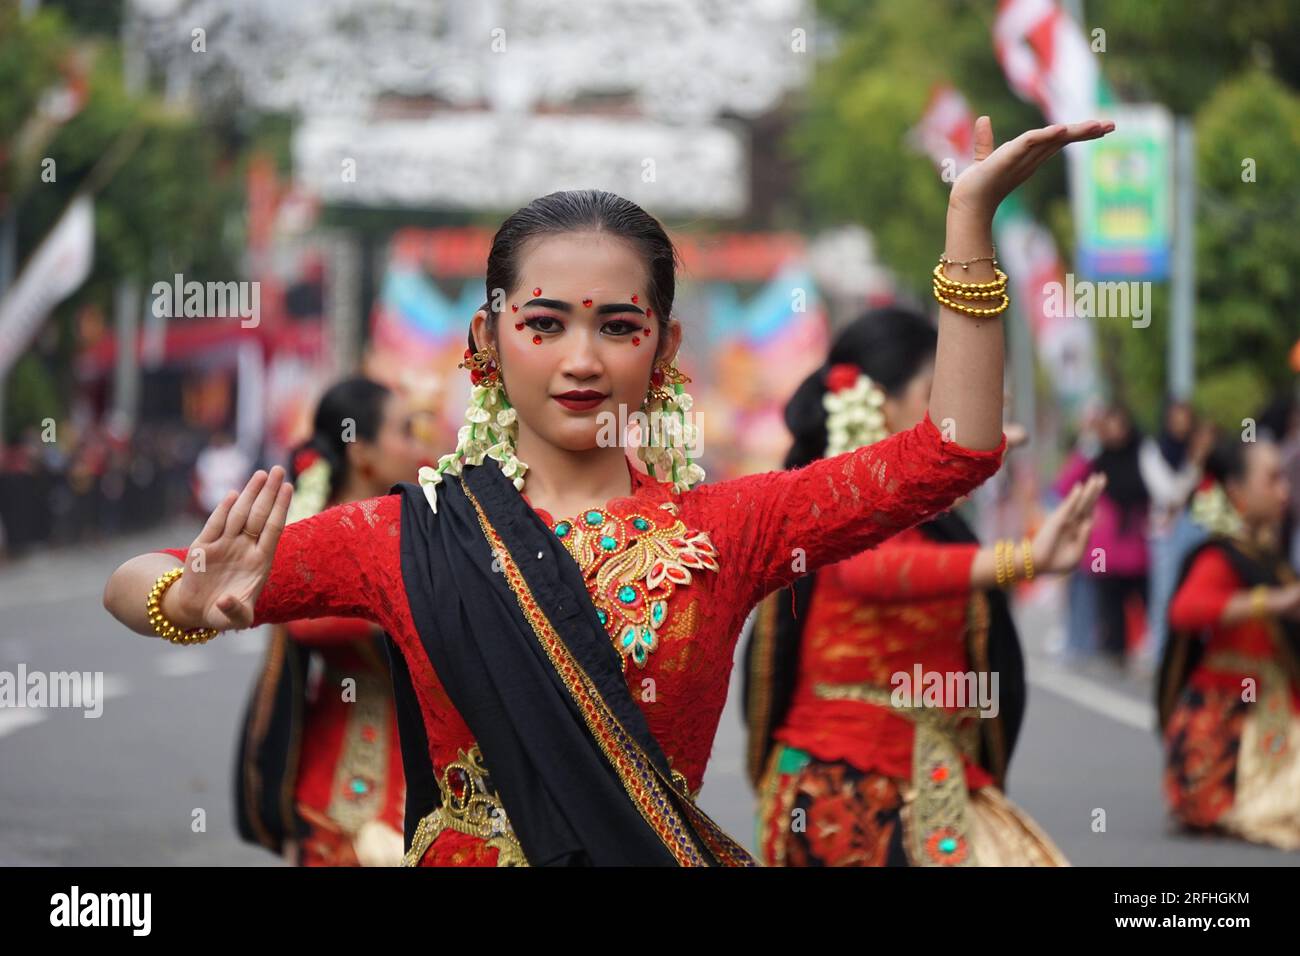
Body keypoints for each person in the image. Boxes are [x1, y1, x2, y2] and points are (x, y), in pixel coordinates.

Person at [103, 115, 1115, 867]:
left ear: (664, 347)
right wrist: (185, 597)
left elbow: (952, 449)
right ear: (489, 340)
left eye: (617, 326)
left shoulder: (734, 527)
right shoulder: (405, 535)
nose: (580, 358)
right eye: (544, 322)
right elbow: (135, 576)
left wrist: (969, 224)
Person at [743, 307, 1105, 867]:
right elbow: (870, 566)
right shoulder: (835, 501)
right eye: (940, 395)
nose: (960, 408)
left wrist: (977, 454)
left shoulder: (930, 513)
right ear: (884, 406)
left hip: (929, 771)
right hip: (845, 791)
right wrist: (1024, 559)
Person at [157, 377, 425, 866]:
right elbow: (307, 625)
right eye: (406, 431)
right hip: (344, 801)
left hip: (437, 793)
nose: (419, 446)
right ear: (362, 451)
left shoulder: (427, 522)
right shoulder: (318, 538)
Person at [1158, 436, 1300, 850]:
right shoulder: (1220, 557)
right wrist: (1270, 601)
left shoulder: (1267, 558)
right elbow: (1185, 611)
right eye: (1272, 480)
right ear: (1237, 492)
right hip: (1230, 716)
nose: (1284, 491)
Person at [1056, 404, 1151, 664]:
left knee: (1149, 605)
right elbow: (1064, 485)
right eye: (1109, 424)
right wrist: (1087, 446)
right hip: (1107, 554)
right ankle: (1112, 656)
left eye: (1119, 423)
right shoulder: (1095, 459)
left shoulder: (1143, 455)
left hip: (1139, 551)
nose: (1115, 431)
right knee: (1110, 617)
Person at [1140, 400, 1214, 665]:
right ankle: (1160, 655)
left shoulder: (1200, 452)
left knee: (1197, 591)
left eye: (1186, 417)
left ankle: (1193, 656)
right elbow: (1169, 494)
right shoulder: (1153, 450)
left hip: (1197, 528)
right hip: (1165, 533)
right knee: (1164, 594)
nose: (1181, 423)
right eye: (1176, 416)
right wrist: (1194, 465)